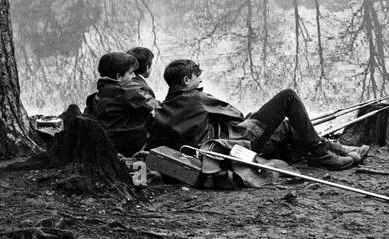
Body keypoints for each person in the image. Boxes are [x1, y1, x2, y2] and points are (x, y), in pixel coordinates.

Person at [148, 59, 365, 171]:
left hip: (212, 150)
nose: (199, 82)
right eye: (197, 77)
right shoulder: (196, 98)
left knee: (284, 123)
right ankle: (322, 154)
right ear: (187, 81)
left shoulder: (165, 106)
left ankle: (332, 148)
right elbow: (236, 113)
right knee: (288, 97)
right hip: (233, 148)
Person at [85, 51, 158, 157]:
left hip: (105, 144)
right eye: (130, 73)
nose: (133, 76)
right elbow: (155, 106)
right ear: (119, 76)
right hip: (127, 146)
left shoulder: (97, 95)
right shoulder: (127, 92)